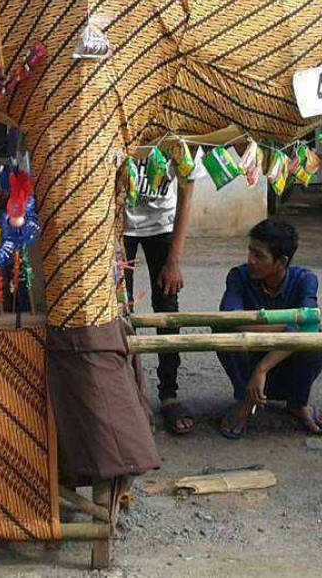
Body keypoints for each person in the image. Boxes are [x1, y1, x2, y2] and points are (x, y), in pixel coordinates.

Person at [218, 218, 322, 438]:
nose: (250, 260)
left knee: (316, 337)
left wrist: (262, 369)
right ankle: (245, 400)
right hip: (248, 360)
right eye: (250, 252)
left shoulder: (305, 280)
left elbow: (309, 324)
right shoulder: (238, 276)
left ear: (281, 262)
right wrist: (290, 328)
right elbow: (230, 319)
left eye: (259, 255)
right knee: (223, 332)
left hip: (282, 364)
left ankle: (297, 402)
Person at [124, 150, 199, 434]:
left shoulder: (178, 136)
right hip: (121, 228)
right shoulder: (123, 123)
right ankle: (129, 394)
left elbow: (187, 189)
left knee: (167, 308)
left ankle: (169, 393)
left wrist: (174, 260)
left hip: (163, 226)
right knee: (120, 310)